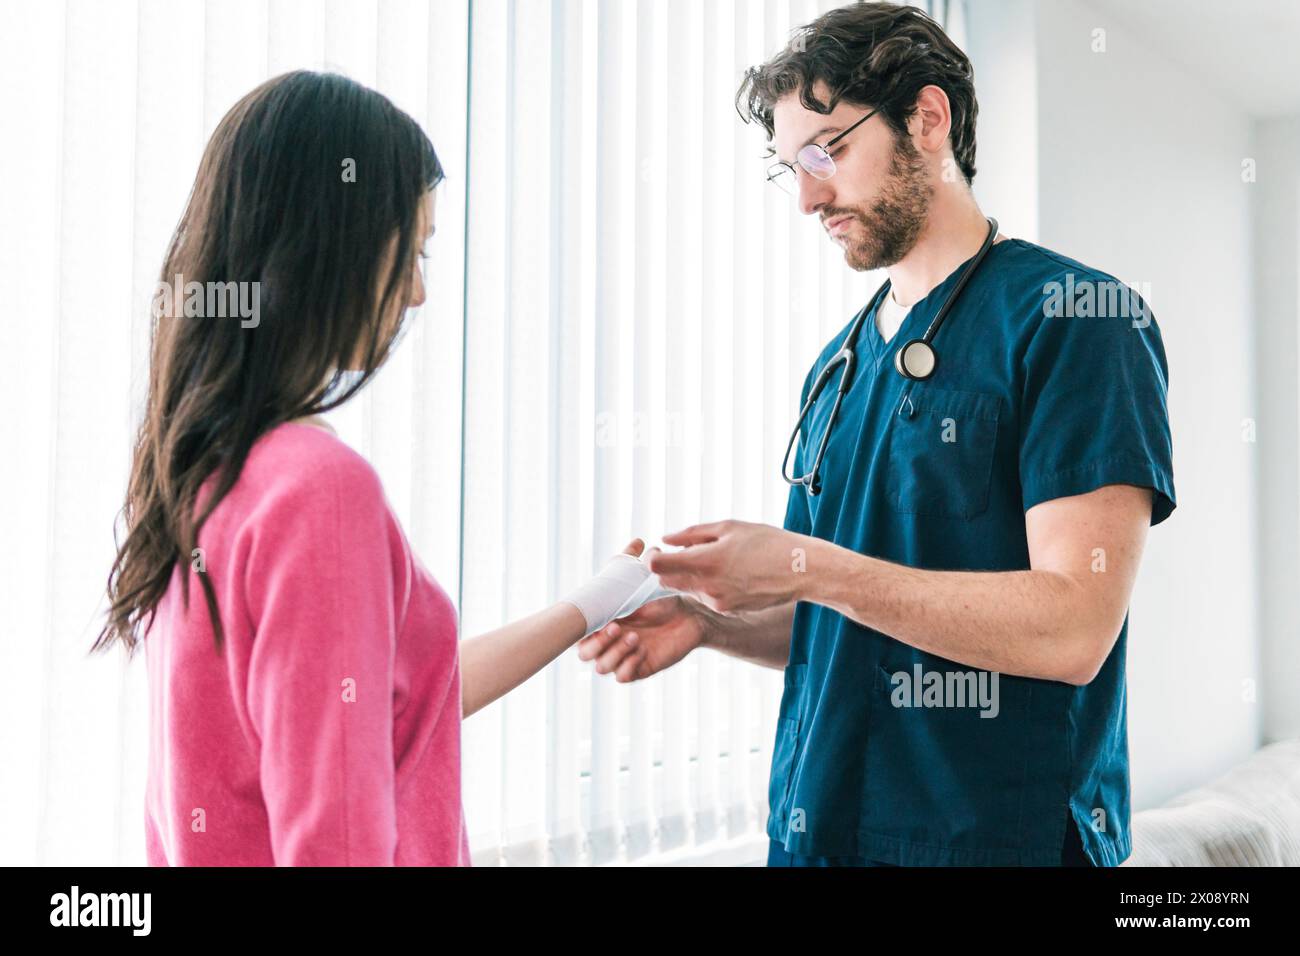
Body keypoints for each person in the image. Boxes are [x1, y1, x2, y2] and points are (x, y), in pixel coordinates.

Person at [580, 1, 1176, 867]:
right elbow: (851, 616)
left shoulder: (1076, 322)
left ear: (927, 120)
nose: (808, 196)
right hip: (824, 833)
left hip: (994, 842)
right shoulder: (842, 364)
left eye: (827, 152)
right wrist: (715, 622)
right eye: (791, 168)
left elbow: (1073, 628)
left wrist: (805, 565)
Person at [94, 70, 657, 866]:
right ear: (332, 245)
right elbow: (338, 841)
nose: (420, 291)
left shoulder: (206, 478)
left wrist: (589, 604)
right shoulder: (319, 490)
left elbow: (384, 708)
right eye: (412, 250)